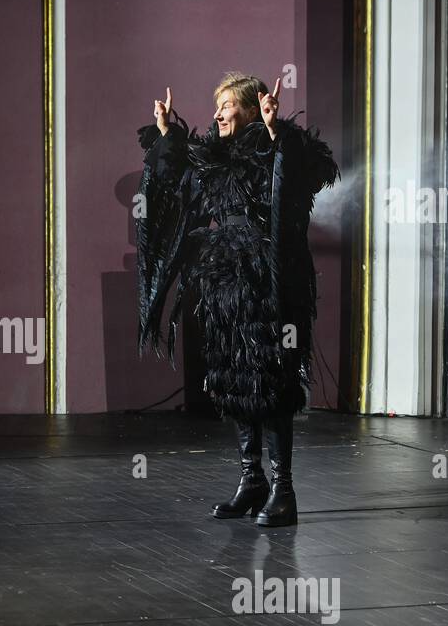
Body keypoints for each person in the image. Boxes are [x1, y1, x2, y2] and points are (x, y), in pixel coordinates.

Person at [137, 73, 339, 526]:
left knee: (272, 382)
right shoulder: (214, 157)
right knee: (235, 379)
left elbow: (307, 173)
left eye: (227, 105)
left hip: (268, 283)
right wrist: (168, 133)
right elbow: (176, 179)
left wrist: (275, 130)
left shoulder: (270, 148)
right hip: (226, 284)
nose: (218, 113)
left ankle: (283, 490)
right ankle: (252, 480)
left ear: (251, 108)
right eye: (217, 105)